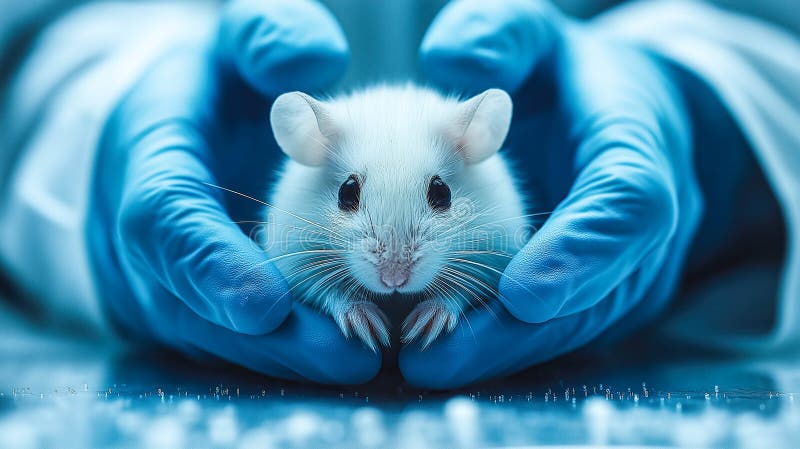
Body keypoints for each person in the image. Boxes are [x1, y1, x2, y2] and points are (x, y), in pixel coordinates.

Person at [0, 0, 797, 389]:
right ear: (313, 151)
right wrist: (83, 118)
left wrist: (720, 132)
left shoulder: (483, 177)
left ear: (473, 149)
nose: (394, 261)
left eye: (439, 197)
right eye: (348, 196)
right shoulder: (304, 180)